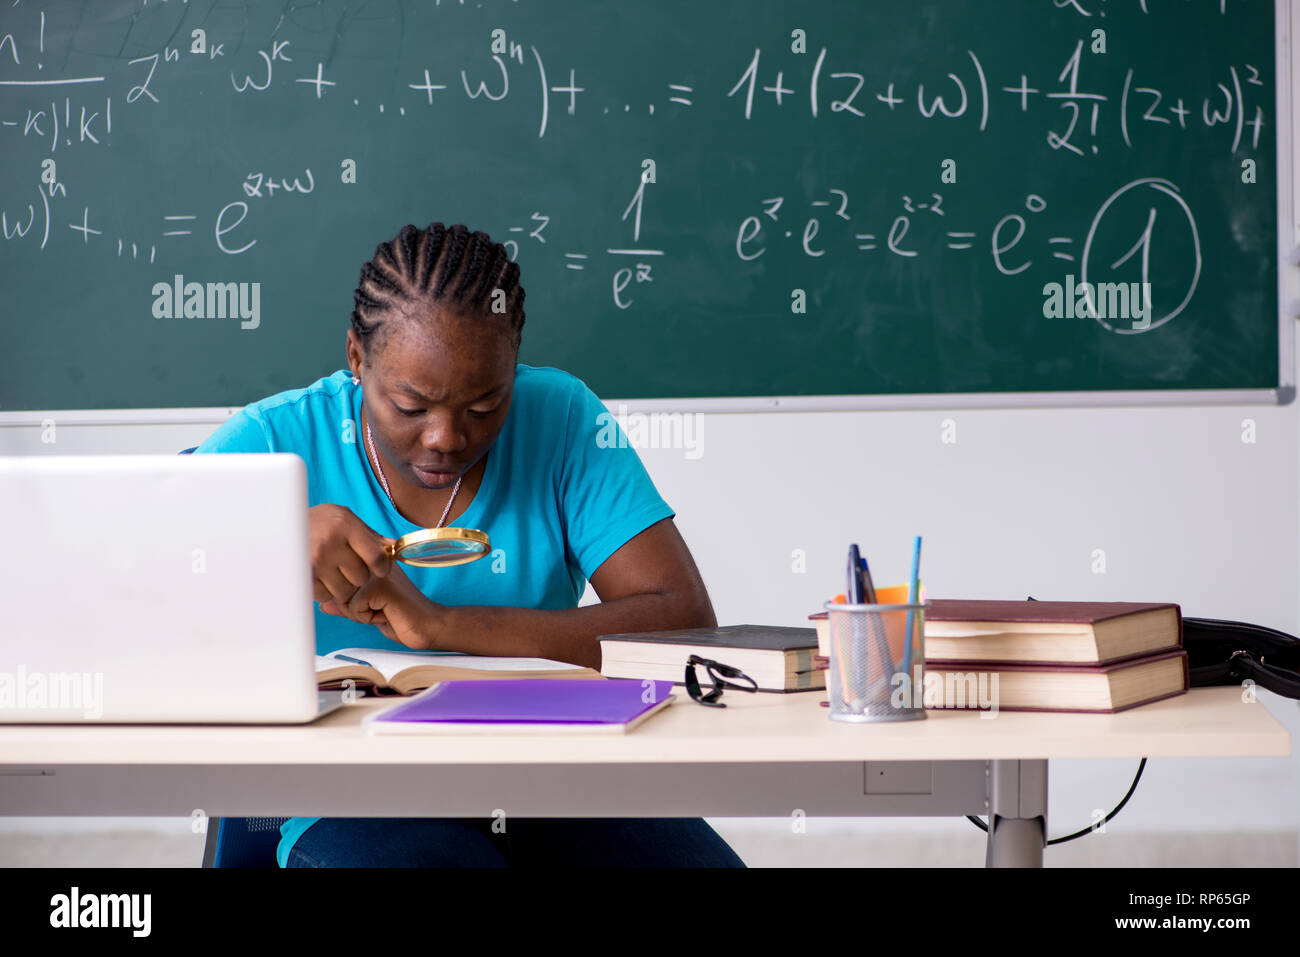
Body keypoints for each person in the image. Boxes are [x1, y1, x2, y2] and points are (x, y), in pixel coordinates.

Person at [194, 222, 744, 867]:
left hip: (551, 774)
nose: (446, 439)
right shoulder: (269, 442)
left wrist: (445, 626)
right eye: (410, 405)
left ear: (514, 366)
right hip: (353, 789)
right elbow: (130, 583)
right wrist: (270, 536)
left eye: (485, 406)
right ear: (355, 357)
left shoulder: (562, 417)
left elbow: (680, 622)